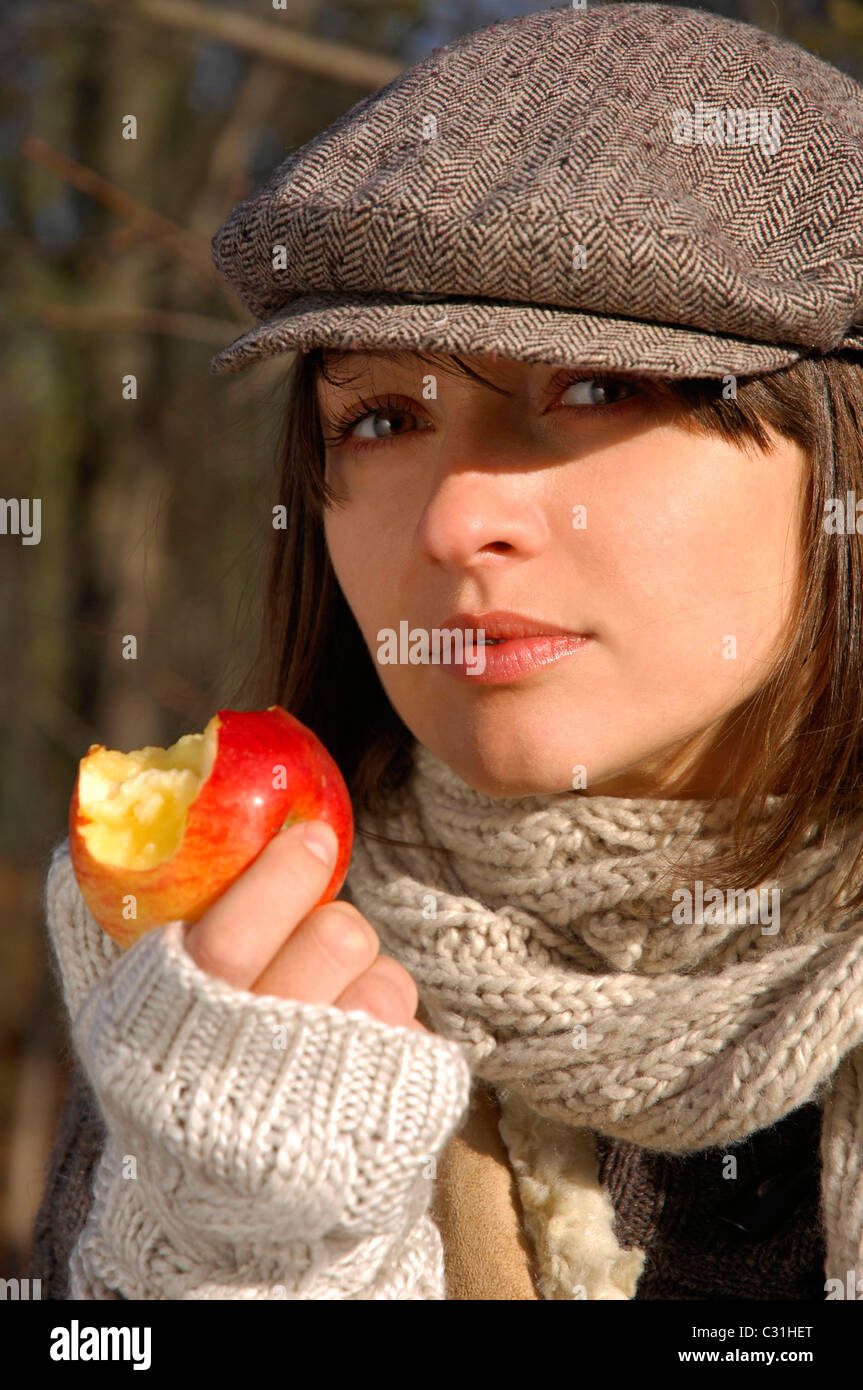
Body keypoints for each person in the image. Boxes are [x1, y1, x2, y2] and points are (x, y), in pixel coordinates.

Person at [31, 2, 863, 1300]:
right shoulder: (226, 989)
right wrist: (242, 1260)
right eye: (379, 416)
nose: (456, 515)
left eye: (596, 386)